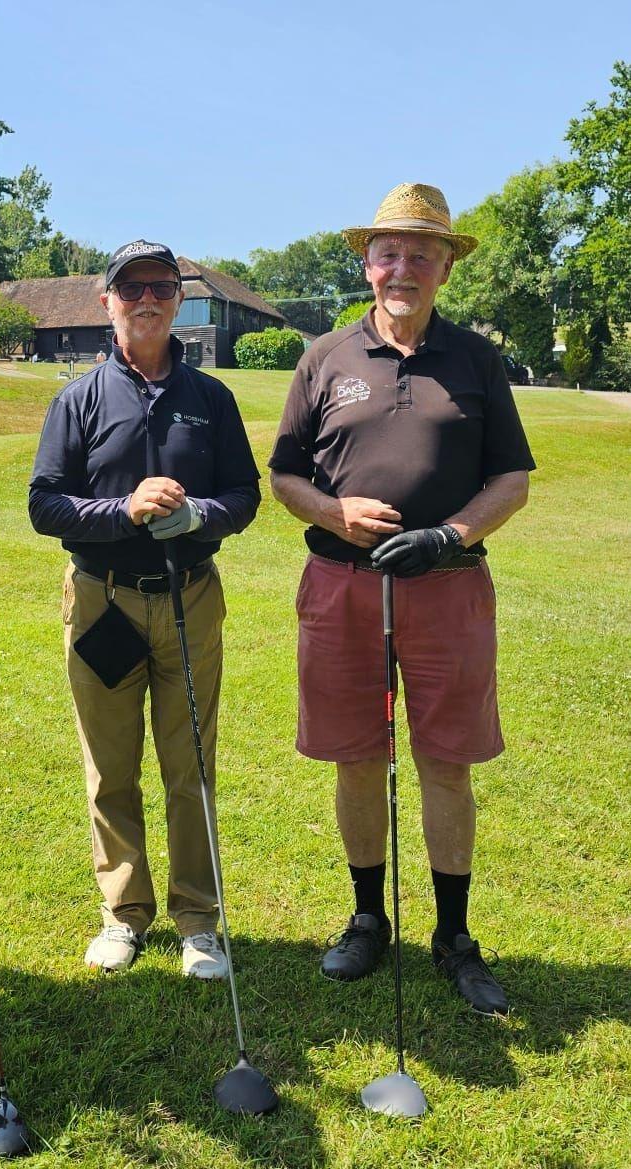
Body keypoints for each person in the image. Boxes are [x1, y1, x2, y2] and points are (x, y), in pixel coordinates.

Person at [268, 183, 534, 1016]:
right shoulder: (324, 357)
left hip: (447, 586)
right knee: (357, 754)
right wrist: (332, 511)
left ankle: (453, 935)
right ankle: (366, 916)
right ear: (366, 262)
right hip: (341, 586)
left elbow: (512, 478)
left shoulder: (476, 359)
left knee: (444, 757)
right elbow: (283, 474)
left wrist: (448, 534)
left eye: (422, 252)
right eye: (389, 251)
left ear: (445, 266)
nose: (403, 266)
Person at [28, 240, 260, 977]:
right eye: (131, 289)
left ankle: (198, 919)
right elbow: (44, 503)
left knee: (189, 763)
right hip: (101, 601)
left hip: (190, 596)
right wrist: (119, 511)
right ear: (107, 303)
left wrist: (196, 515)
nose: (147, 299)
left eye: (161, 286)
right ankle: (123, 912)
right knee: (110, 767)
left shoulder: (211, 399)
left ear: (178, 300)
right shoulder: (77, 398)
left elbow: (244, 497)